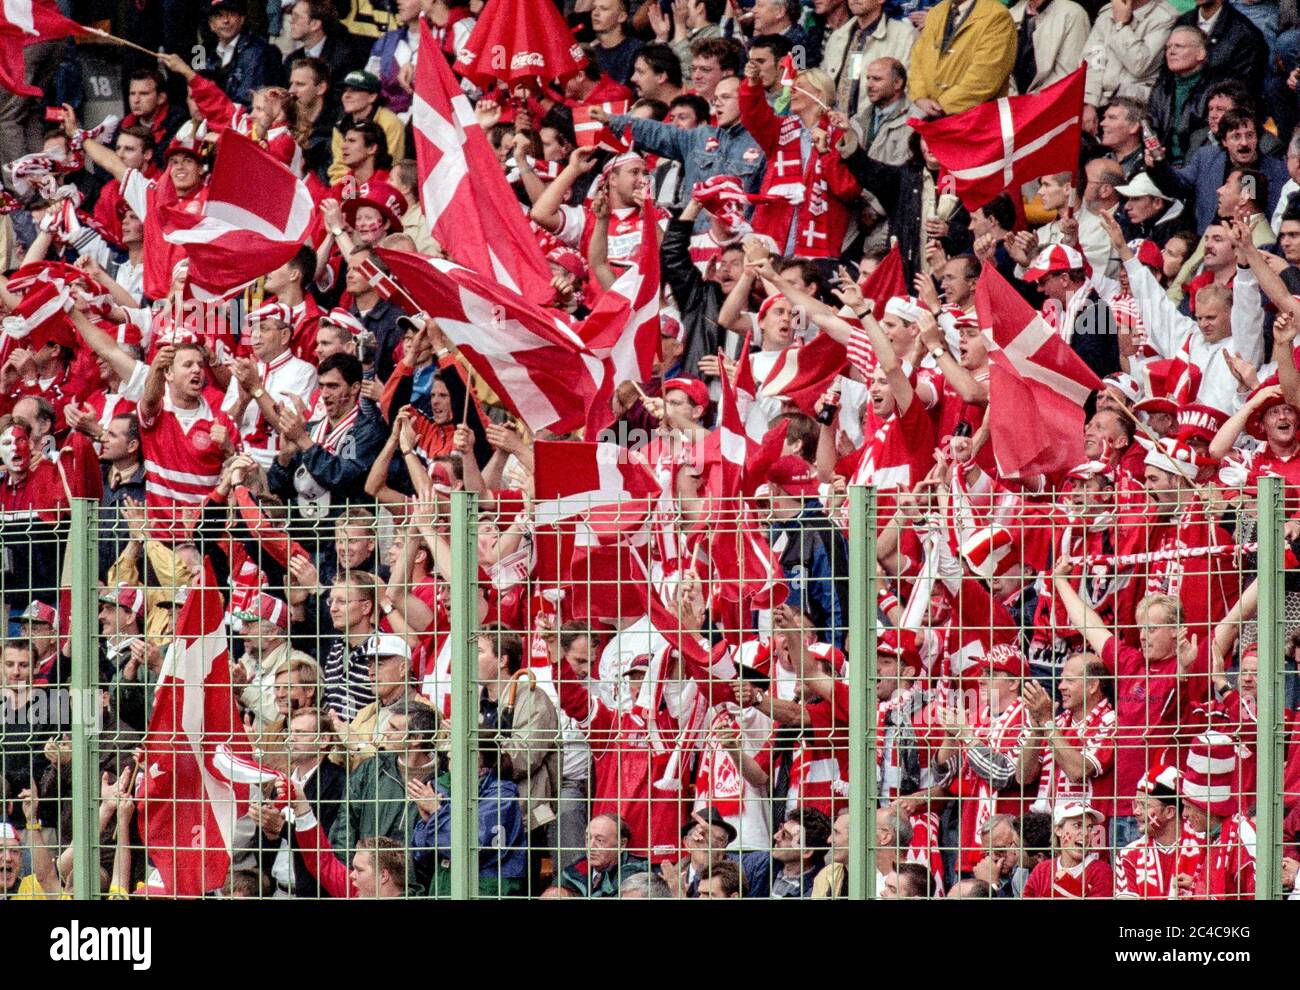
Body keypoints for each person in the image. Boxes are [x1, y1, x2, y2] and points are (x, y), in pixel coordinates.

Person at [907, 0, 1017, 117]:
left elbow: (985, 79)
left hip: (975, 120)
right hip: (932, 117)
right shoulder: (937, 11)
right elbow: (917, 60)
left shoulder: (997, 15)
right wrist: (920, 97)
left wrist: (941, 106)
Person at [1082, 0, 1177, 124]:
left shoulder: (1165, 17)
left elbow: (1139, 65)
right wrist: (1089, 104)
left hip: (1138, 106)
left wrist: (1121, 25)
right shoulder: (1108, 12)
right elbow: (1092, 62)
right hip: (1102, 102)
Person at [822, 0, 919, 119]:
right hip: (836, 123)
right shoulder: (838, 35)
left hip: (881, 123)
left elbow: (909, 88)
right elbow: (828, 83)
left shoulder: (904, 36)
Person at [199, 0, 286, 108]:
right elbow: (196, 91)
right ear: (211, 25)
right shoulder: (204, 51)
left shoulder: (258, 52)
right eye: (219, 16)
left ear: (242, 19)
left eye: (231, 14)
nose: (226, 20)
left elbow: (246, 101)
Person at [1021, 802, 1115, 898]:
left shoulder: (1101, 872)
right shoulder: (1041, 870)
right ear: (1058, 830)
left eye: (1090, 827)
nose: (1085, 833)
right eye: (1077, 825)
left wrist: (1069, 888)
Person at [559, 813, 650, 897]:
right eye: (588, 838)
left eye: (600, 840)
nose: (590, 847)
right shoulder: (574, 870)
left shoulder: (635, 872)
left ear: (621, 844)